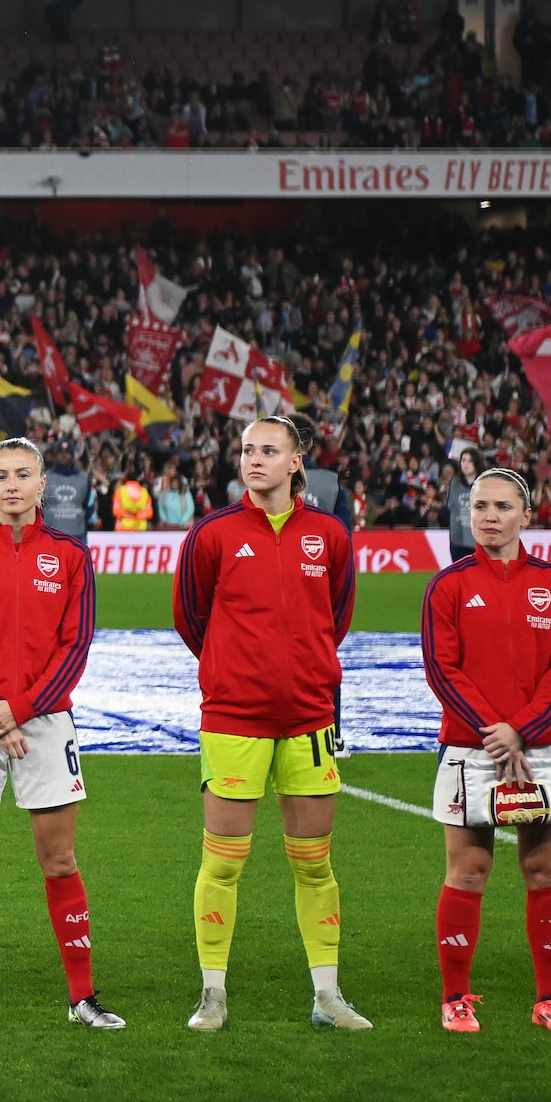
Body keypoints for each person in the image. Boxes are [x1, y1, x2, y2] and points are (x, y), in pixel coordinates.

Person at [174, 413, 365, 1032]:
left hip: (310, 718)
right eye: (247, 450)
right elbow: (190, 617)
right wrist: (237, 668)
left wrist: (302, 668)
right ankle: (212, 995)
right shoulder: (213, 535)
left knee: (314, 861)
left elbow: (335, 617)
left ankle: (328, 998)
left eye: (269, 450)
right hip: (234, 719)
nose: (254, 459)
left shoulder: (329, 536)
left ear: (296, 462)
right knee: (223, 861)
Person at [0, 438, 123, 1032]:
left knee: (60, 859)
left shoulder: (69, 556)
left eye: (23, 474)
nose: (12, 485)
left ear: (43, 485)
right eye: (1, 476)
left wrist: (24, 708)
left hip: (44, 720)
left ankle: (82, 997)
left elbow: (76, 644)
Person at [422, 468, 551, 1033]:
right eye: (480, 507)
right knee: (468, 870)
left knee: (544, 869)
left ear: (527, 515)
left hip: (542, 745)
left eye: (501, 506)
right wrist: (496, 730)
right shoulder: (447, 585)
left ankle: (550, 999)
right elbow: (442, 669)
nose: (489, 516)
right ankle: (456, 998)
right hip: (472, 747)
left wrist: (523, 729)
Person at [39, 443, 93, 540]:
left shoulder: (84, 479)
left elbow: (89, 505)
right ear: (56, 455)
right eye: (61, 453)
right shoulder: (45, 478)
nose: (64, 456)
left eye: (67, 453)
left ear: (72, 455)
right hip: (51, 535)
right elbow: (39, 505)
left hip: (77, 535)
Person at [445, 448, 482, 557]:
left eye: (470, 461)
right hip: (458, 538)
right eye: (463, 460)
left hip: (478, 540)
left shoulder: (485, 484)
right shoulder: (454, 483)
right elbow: (451, 506)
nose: (466, 464)